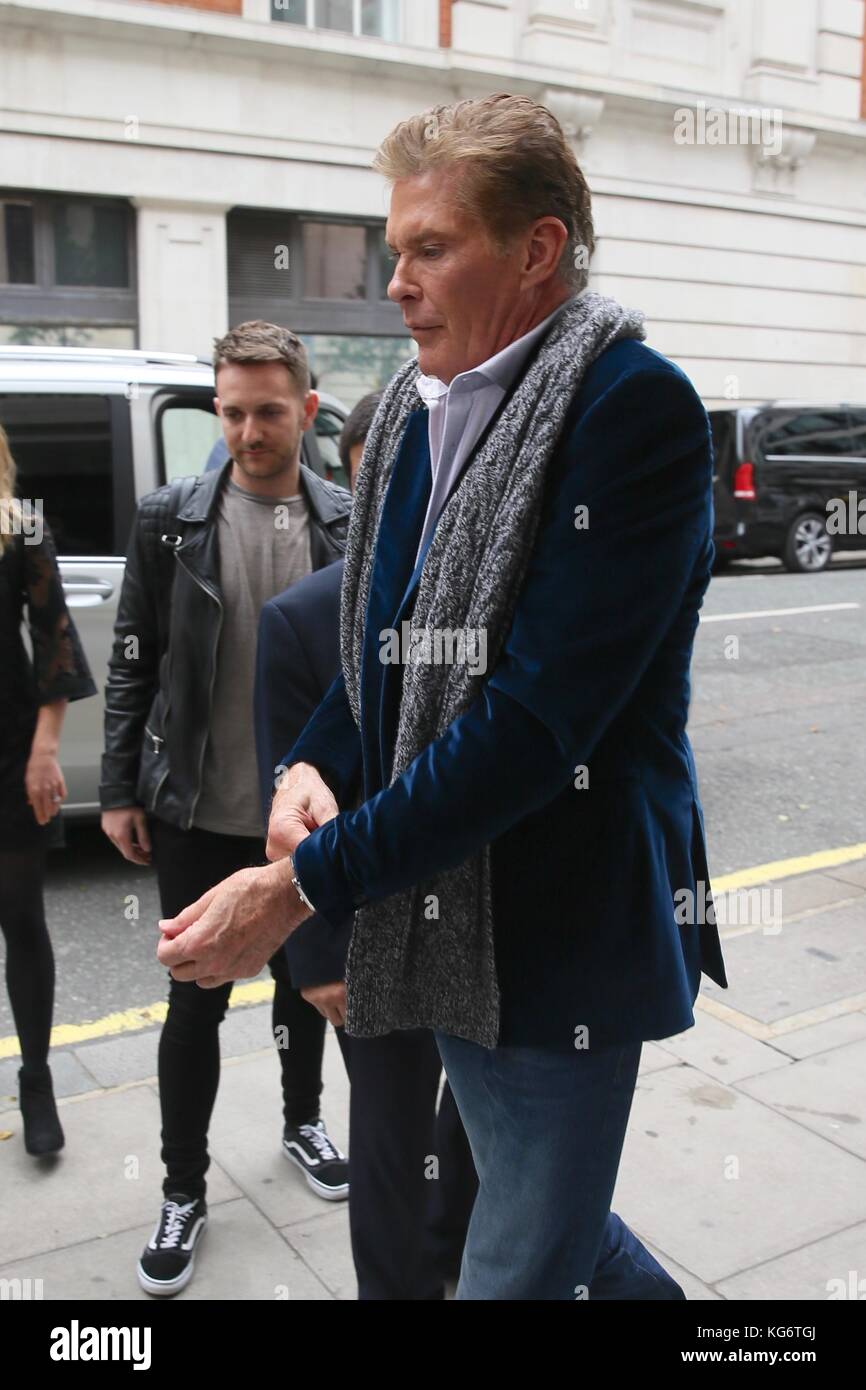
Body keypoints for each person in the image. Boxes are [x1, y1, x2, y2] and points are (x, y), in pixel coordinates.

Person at [155, 95, 729, 1301]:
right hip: (440, 912)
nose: (397, 285)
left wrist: (301, 884)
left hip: (562, 931)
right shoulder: (422, 413)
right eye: (393, 252)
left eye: (430, 248)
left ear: (535, 250)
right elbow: (387, 651)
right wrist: (315, 760)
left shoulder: (633, 411)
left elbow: (530, 727)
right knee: (552, 1222)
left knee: (515, 1260)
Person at [100, 321, 352, 1297]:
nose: (248, 430)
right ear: (218, 407)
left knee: (307, 984)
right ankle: (180, 1189)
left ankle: (300, 1121)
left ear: (306, 410)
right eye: (233, 410)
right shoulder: (170, 518)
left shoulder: (347, 518)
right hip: (197, 811)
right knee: (193, 1001)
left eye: (268, 411)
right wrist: (122, 784)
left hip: (303, 817)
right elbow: (134, 655)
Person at [255, 392, 477, 1299]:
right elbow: (283, 808)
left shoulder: (484, 597)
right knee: (391, 1152)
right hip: (370, 943)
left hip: (483, 929)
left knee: (473, 1148)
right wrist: (316, 958)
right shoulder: (301, 619)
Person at [0, 422, 97, 1156]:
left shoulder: (19, 525)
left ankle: (36, 1081)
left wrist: (44, 749)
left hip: (8, 746)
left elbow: (55, 634)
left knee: (21, 917)